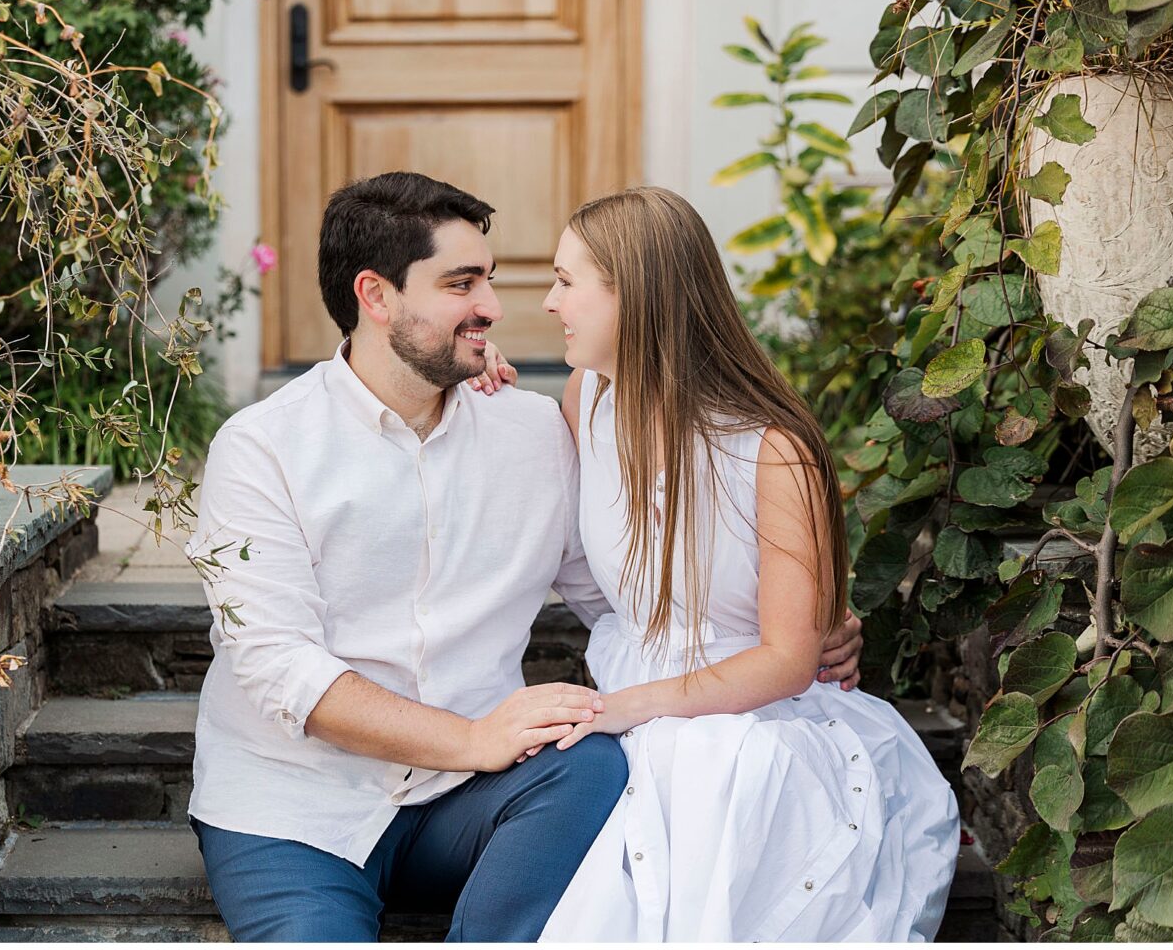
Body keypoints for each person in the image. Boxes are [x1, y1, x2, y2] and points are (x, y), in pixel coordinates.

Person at [182, 171, 865, 942]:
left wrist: (790, 623)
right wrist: (472, 738)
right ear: (376, 298)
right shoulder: (261, 448)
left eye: (491, 280)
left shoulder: (532, 430)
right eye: (461, 284)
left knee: (588, 768)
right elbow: (281, 669)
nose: (496, 308)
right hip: (293, 810)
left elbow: (622, 592)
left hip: (469, 798)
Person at [473, 187, 960, 943]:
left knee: (720, 783)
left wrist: (626, 708)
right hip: (628, 698)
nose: (546, 302)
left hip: (749, 714)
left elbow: (783, 661)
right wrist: (484, 394)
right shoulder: (586, 397)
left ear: (634, 292)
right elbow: (574, 552)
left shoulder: (771, 451)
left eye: (568, 281)